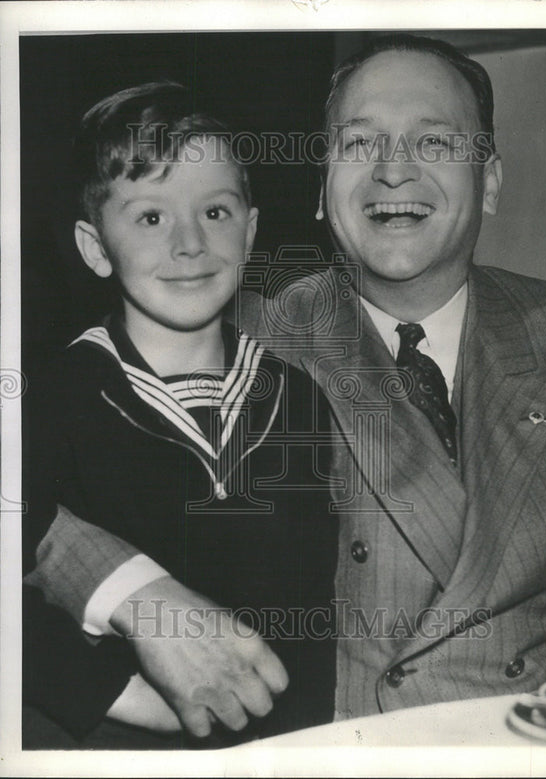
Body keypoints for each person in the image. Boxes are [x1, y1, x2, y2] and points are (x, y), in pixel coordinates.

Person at [26, 34, 546, 734]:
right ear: (320, 185)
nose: (392, 172)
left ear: (491, 181)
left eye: (433, 143)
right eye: (358, 143)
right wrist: (141, 596)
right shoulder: (236, 335)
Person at [23, 82, 338, 747]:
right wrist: (106, 691)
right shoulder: (51, 397)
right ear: (94, 245)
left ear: (251, 231)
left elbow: (314, 609)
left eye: (216, 211)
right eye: (150, 217)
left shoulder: (297, 395)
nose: (191, 242)